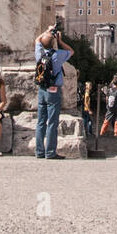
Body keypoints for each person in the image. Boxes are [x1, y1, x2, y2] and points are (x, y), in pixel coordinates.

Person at [34, 24, 73, 160]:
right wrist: (60, 41)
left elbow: (37, 41)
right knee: (52, 122)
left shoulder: (39, 53)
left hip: (42, 89)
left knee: (41, 121)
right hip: (53, 90)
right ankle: (50, 152)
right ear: (54, 42)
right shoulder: (58, 55)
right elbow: (71, 51)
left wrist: (47, 31)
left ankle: (39, 151)